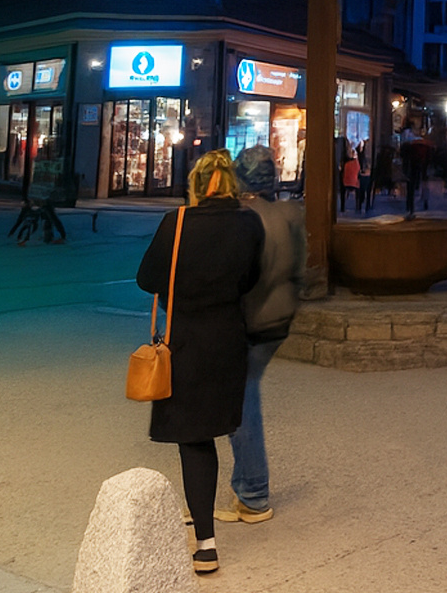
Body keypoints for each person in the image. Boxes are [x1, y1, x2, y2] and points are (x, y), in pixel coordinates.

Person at [135, 150, 264, 576]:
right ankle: (218, 517)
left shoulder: (176, 222)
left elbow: (147, 279)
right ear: (230, 184)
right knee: (219, 424)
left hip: (186, 342)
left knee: (194, 440)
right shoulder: (249, 223)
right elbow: (252, 279)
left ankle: (205, 543)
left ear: (197, 184)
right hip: (229, 341)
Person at [215, 148, 308, 525]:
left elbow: (242, 277)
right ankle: (245, 486)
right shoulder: (289, 213)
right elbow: (299, 268)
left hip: (251, 321)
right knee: (245, 395)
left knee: (242, 404)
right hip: (280, 317)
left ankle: (253, 493)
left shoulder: (244, 218)